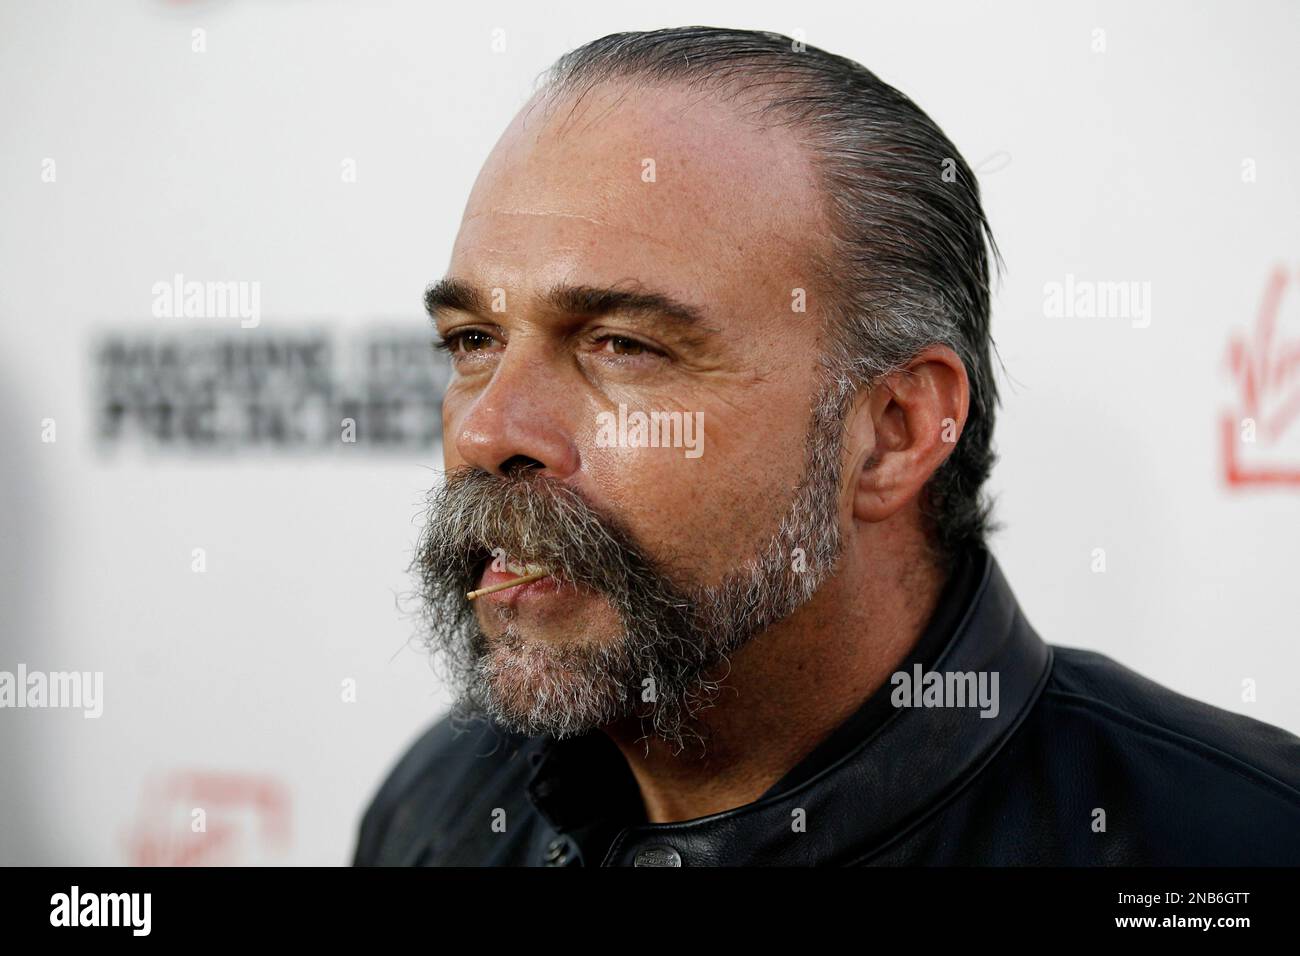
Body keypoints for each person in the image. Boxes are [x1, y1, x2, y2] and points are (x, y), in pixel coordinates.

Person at [353, 26, 1300, 866]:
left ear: (892, 433)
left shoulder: (1237, 840)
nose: (485, 432)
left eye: (622, 346)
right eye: (472, 341)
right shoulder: (442, 804)